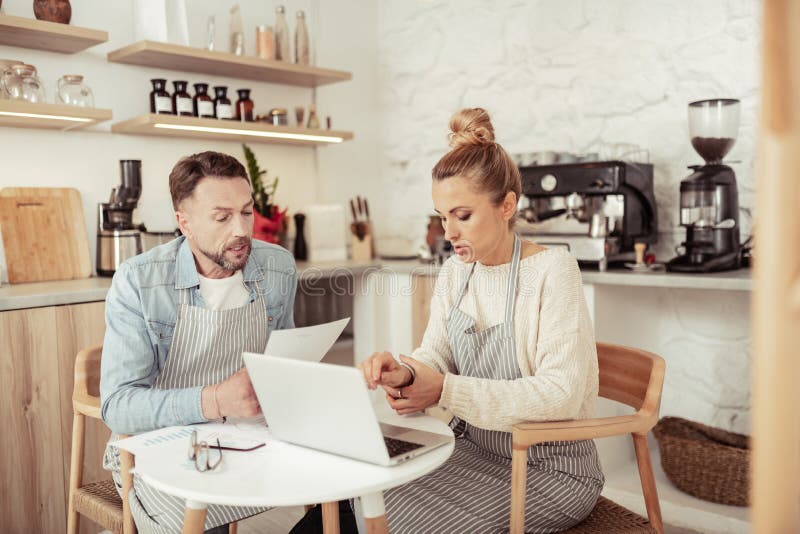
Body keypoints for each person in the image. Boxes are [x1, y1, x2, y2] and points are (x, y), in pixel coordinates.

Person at [358, 108, 603, 533]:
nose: (447, 232)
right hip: (470, 449)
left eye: (462, 215)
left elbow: (561, 394)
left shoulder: (553, 271)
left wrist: (446, 389)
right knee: (365, 496)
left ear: (507, 205)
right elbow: (434, 353)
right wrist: (408, 373)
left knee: (404, 521)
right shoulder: (457, 270)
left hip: (551, 468)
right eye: (441, 217)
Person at [100, 151, 297, 534]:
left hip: (249, 436)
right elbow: (118, 406)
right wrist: (216, 400)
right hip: (157, 447)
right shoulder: (138, 281)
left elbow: (285, 361)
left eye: (246, 211)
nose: (241, 230)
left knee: (330, 493)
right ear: (184, 223)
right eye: (222, 217)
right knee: (206, 519)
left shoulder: (278, 266)